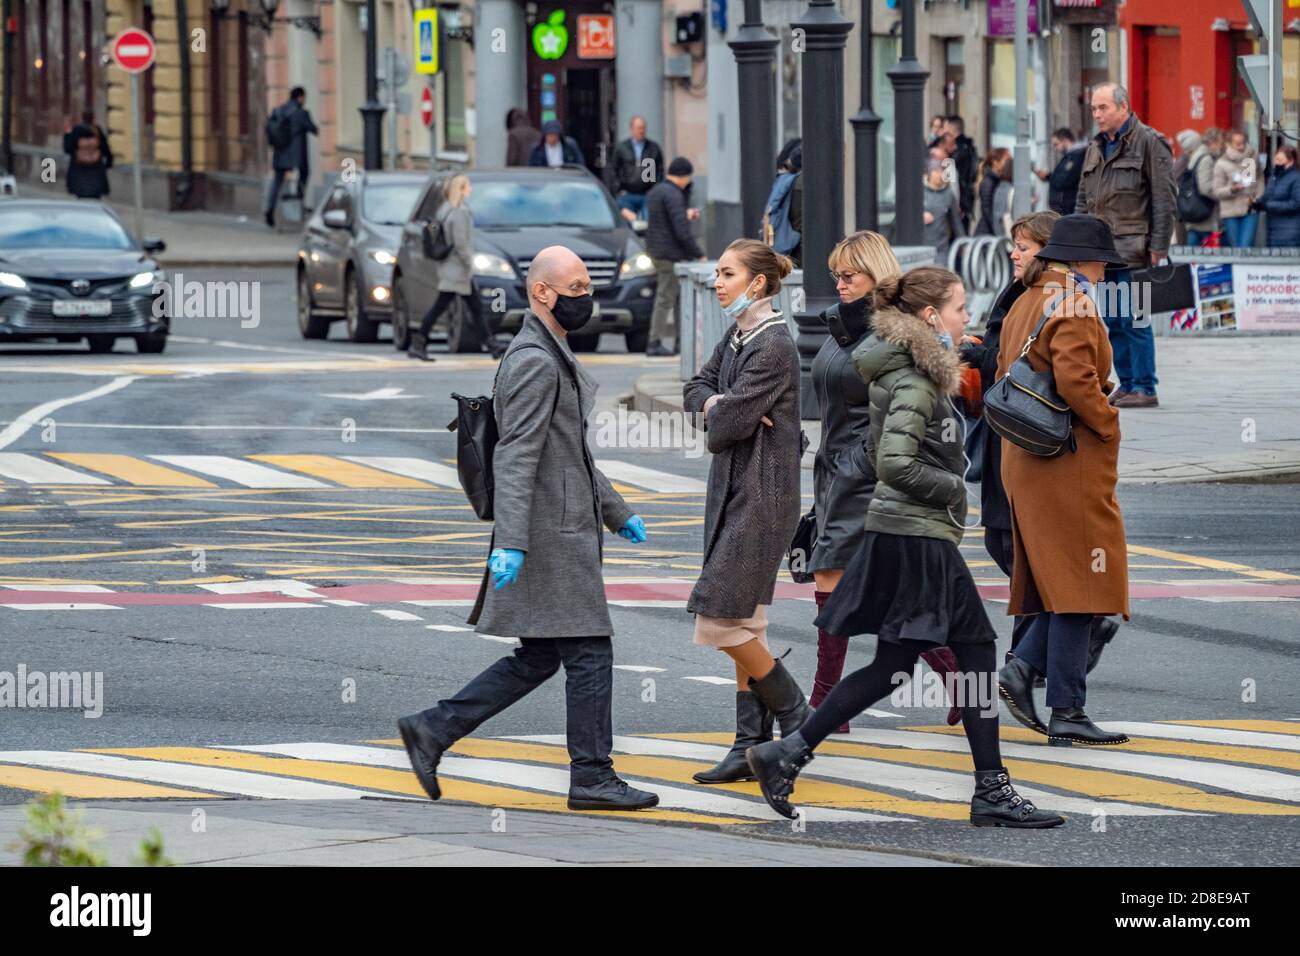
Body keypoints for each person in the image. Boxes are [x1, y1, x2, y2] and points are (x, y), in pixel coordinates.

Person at [746, 266, 1063, 828]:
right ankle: (989, 789)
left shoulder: (907, 369)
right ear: (930, 316)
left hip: (909, 533)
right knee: (968, 657)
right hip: (918, 536)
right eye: (960, 306)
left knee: (906, 662)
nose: (968, 315)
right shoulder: (915, 379)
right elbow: (892, 461)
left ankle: (787, 751)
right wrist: (953, 488)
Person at [397, 245, 659, 813]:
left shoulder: (549, 349)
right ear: (543, 292)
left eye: (589, 286)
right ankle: (592, 776)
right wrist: (512, 542)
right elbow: (515, 458)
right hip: (549, 534)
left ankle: (432, 729)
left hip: (558, 523)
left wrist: (617, 512)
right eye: (578, 288)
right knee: (590, 652)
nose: (587, 298)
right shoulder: (535, 360)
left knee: (540, 656)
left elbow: (571, 454)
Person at [803, 231, 966, 737]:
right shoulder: (841, 329)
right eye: (836, 276)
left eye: (849, 276)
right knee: (894, 595)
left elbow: (908, 409)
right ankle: (963, 687)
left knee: (832, 577)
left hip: (867, 474)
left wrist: (862, 461)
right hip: (834, 471)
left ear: (878, 276)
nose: (840, 284)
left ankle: (825, 703)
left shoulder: (892, 335)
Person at [995, 214, 1132, 748]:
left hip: (1027, 456)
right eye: (1101, 262)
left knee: (1060, 582)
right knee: (1081, 585)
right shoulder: (1074, 303)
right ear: (1079, 261)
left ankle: (1024, 668)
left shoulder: (1028, 299)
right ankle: (1067, 709)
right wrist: (1108, 420)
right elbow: (1076, 381)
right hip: (1065, 458)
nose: (1104, 273)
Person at [682, 239, 808, 784]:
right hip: (737, 489)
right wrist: (718, 403)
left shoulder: (774, 344)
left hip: (763, 495)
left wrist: (724, 410)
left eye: (726, 273)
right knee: (744, 620)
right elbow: (695, 389)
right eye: (716, 272)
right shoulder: (739, 334)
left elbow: (726, 429)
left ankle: (796, 713)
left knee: (716, 617)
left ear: (757, 282)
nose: (717, 282)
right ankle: (748, 745)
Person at [1075, 81, 1174, 410]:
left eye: (1103, 108)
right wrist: (1077, 244)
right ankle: (1128, 383)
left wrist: (1159, 245)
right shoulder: (1095, 146)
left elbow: (1164, 199)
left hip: (1137, 250)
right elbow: (1083, 199)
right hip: (1102, 253)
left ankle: (1146, 386)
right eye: (1093, 108)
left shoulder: (1149, 142)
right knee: (1114, 320)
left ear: (1123, 107)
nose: (1097, 114)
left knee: (1137, 320)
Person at [409, 174, 503, 361]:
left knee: (473, 307)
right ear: (460, 189)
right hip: (458, 270)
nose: (470, 189)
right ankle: (418, 344)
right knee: (444, 307)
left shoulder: (446, 209)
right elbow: (461, 243)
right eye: (467, 186)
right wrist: (469, 263)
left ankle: (492, 345)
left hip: (451, 267)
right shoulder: (459, 211)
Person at [644, 157, 706, 357]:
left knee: (679, 298)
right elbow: (680, 230)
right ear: (683, 176)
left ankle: (681, 340)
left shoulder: (657, 191)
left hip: (657, 250)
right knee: (666, 298)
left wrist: (684, 214)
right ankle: (655, 342)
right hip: (669, 254)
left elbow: (666, 219)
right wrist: (698, 253)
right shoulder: (674, 194)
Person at [264, 86, 318, 228]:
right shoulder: (301, 113)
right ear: (300, 97)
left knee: (277, 181)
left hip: (280, 152)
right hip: (296, 155)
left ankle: (270, 208)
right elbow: (313, 129)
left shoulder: (279, 110)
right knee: (304, 174)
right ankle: (299, 200)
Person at [606, 115, 664, 222]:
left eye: (643, 128)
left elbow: (659, 171)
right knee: (628, 223)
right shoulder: (622, 148)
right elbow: (613, 170)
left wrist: (655, 191)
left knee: (648, 223)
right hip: (627, 193)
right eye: (638, 128)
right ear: (631, 129)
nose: (641, 131)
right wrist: (618, 190)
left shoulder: (653, 148)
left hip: (647, 194)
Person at [1214, 129, 1263, 248]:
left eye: (1243, 143)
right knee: (1236, 248)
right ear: (1229, 144)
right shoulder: (1222, 163)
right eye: (1237, 144)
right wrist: (1232, 189)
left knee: (1246, 246)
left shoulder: (1252, 158)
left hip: (1250, 208)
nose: (1241, 146)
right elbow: (1217, 191)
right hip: (1231, 210)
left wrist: (1259, 197)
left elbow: (1259, 179)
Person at [762, 139, 803, 266]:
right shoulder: (801, 183)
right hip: (799, 255)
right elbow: (800, 224)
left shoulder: (784, 182)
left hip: (789, 250)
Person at [1252, 145, 1300, 248]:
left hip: (1290, 229)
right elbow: (1267, 196)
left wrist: (1267, 206)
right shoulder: (1273, 177)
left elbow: (1296, 204)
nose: (1276, 162)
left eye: (1280, 160)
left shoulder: (1296, 178)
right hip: (1273, 227)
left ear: (1290, 162)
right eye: (1275, 159)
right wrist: (1257, 203)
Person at [1182, 128, 1222, 247]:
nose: (1221, 146)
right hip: (1204, 216)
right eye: (1220, 143)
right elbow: (1205, 188)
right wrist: (1221, 196)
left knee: (1192, 254)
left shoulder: (1196, 155)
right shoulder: (1206, 158)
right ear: (1213, 142)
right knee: (1206, 255)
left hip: (1194, 212)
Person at [941, 116, 979, 234]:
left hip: (958, 203)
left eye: (945, 131)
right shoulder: (970, 148)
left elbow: (954, 181)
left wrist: (958, 204)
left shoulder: (957, 154)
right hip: (964, 202)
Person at [62, 110, 112, 200]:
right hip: (95, 170)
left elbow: (67, 148)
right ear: (93, 118)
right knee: (95, 198)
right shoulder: (97, 130)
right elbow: (106, 148)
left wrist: (67, 135)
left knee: (81, 197)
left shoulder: (76, 130)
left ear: (82, 118)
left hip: (79, 170)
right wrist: (108, 163)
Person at [1036, 128, 1086, 216]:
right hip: (1064, 210)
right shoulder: (1070, 156)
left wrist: (1047, 176)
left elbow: (1064, 180)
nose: (1056, 148)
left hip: (1069, 209)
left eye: (1056, 144)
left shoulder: (1077, 155)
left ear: (1065, 141)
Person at [923, 157, 964, 260]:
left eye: (942, 172)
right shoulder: (919, 192)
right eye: (936, 171)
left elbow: (956, 222)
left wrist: (963, 244)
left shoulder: (948, 194)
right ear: (929, 173)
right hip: (922, 246)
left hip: (941, 248)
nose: (940, 175)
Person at [1171, 130, 1203, 246]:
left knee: (1183, 237)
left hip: (1184, 202)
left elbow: (1172, 176)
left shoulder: (1185, 158)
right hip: (1185, 202)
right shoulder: (1186, 158)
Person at [974, 148, 1013, 238]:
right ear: (995, 162)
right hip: (988, 233)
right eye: (1006, 160)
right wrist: (997, 229)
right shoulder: (988, 182)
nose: (1009, 163)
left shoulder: (1000, 181)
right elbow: (987, 210)